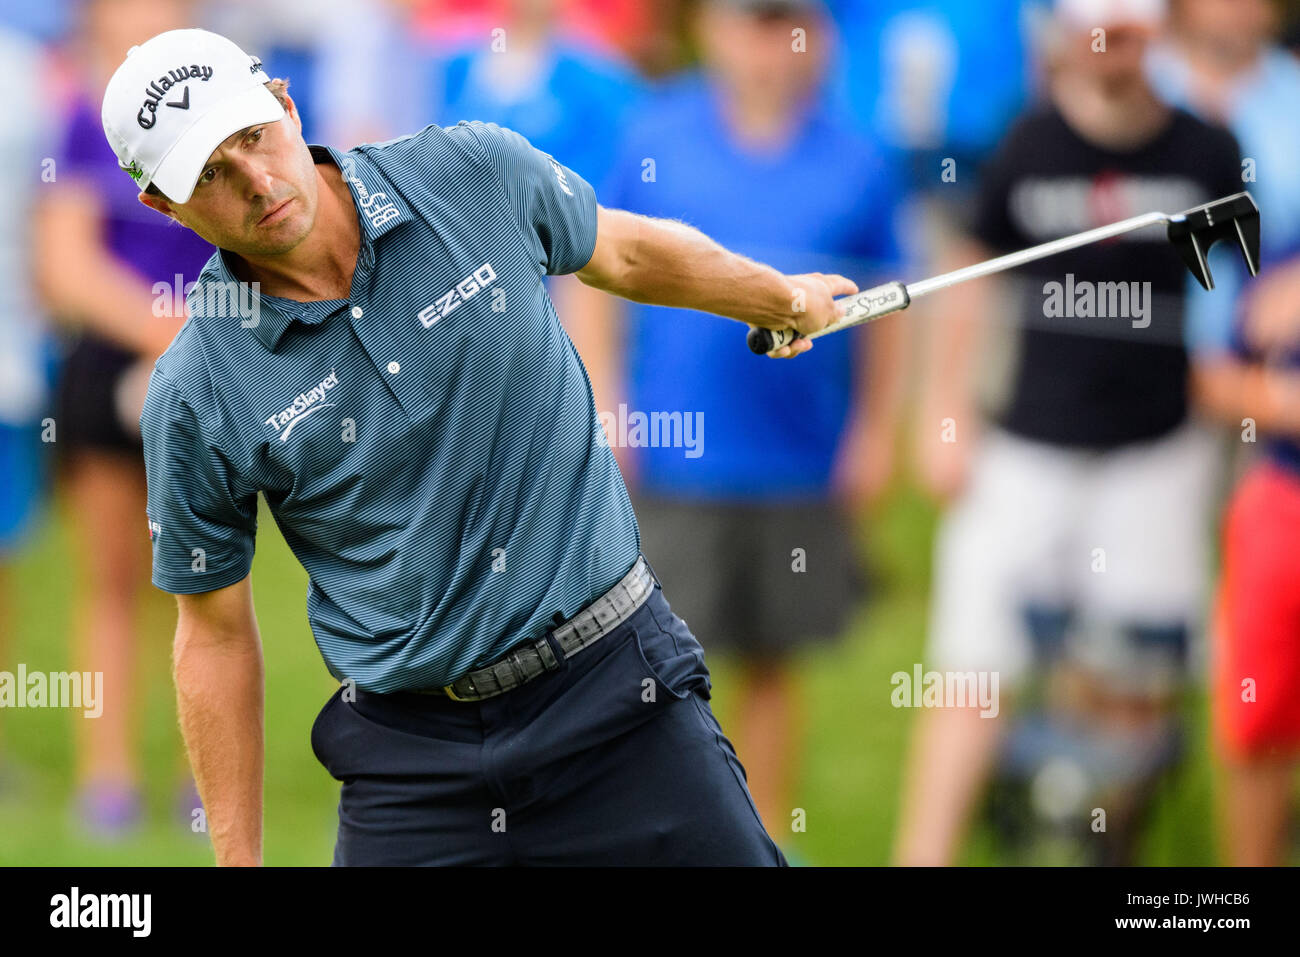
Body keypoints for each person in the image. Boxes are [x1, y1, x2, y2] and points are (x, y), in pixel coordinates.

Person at [106, 27, 852, 865]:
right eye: (209, 174)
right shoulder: (197, 387)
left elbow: (624, 251)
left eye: (252, 137)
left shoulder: (469, 172)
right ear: (162, 207)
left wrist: (779, 297)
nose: (256, 180)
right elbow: (211, 632)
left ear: (285, 99)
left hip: (619, 697)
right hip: (412, 765)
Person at [896, 0, 1241, 864]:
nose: (1106, 51)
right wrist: (945, 415)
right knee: (972, 670)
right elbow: (969, 276)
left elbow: (1244, 274)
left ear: (1153, 33)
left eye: (1124, 33)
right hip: (1024, 449)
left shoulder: (1205, 148)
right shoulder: (1025, 144)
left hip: (1155, 454)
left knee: (1137, 681)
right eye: (1093, 33)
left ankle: (1100, 851)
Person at [566, 0, 906, 848]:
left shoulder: (859, 159)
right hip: (677, 454)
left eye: (788, 23)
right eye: (753, 21)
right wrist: (607, 402)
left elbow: (888, 304)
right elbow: (592, 269)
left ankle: (756, 837)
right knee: (658, 664)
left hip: (797, 453)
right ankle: (657, 834)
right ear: (713, 30)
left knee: (773, 658)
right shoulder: (653, 132)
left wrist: (872, 429)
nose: (770, 44)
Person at [33, 0, 212, 836]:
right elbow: (63, 262)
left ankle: (204, 778)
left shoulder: (220, 106)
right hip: (112, 360)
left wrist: (190, 337)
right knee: (110, 580)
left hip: (212, 359)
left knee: (209, 585)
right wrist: (156, 329)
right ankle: (108, 780)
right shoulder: (82, 118)